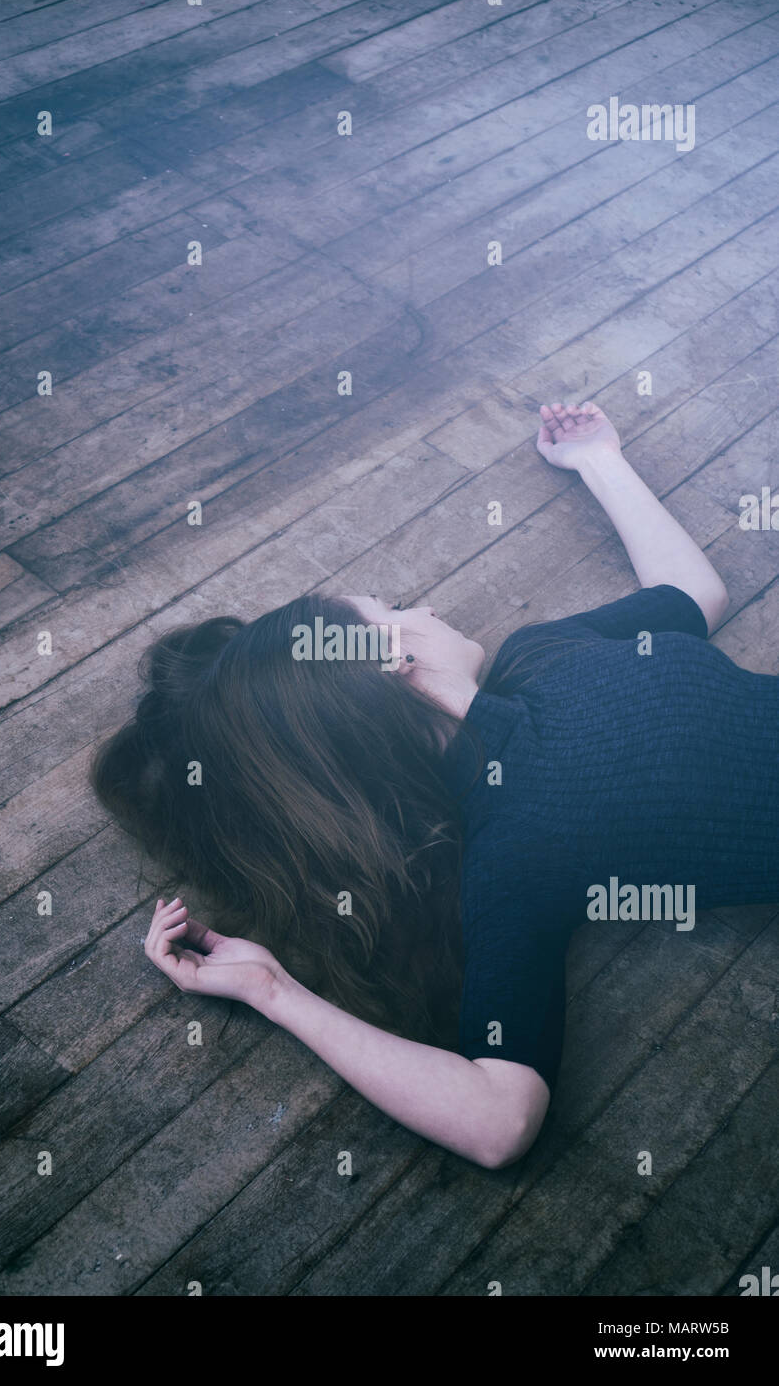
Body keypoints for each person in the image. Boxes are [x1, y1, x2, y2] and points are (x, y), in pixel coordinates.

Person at [92, 402, 778, 1170]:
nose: (422, 605)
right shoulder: (517, 856)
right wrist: (272, 990)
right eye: (392, 611)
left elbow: (692, 596)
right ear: (397, 668)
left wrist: (598, 459)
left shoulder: (538, 653)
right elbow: (498, 1120)